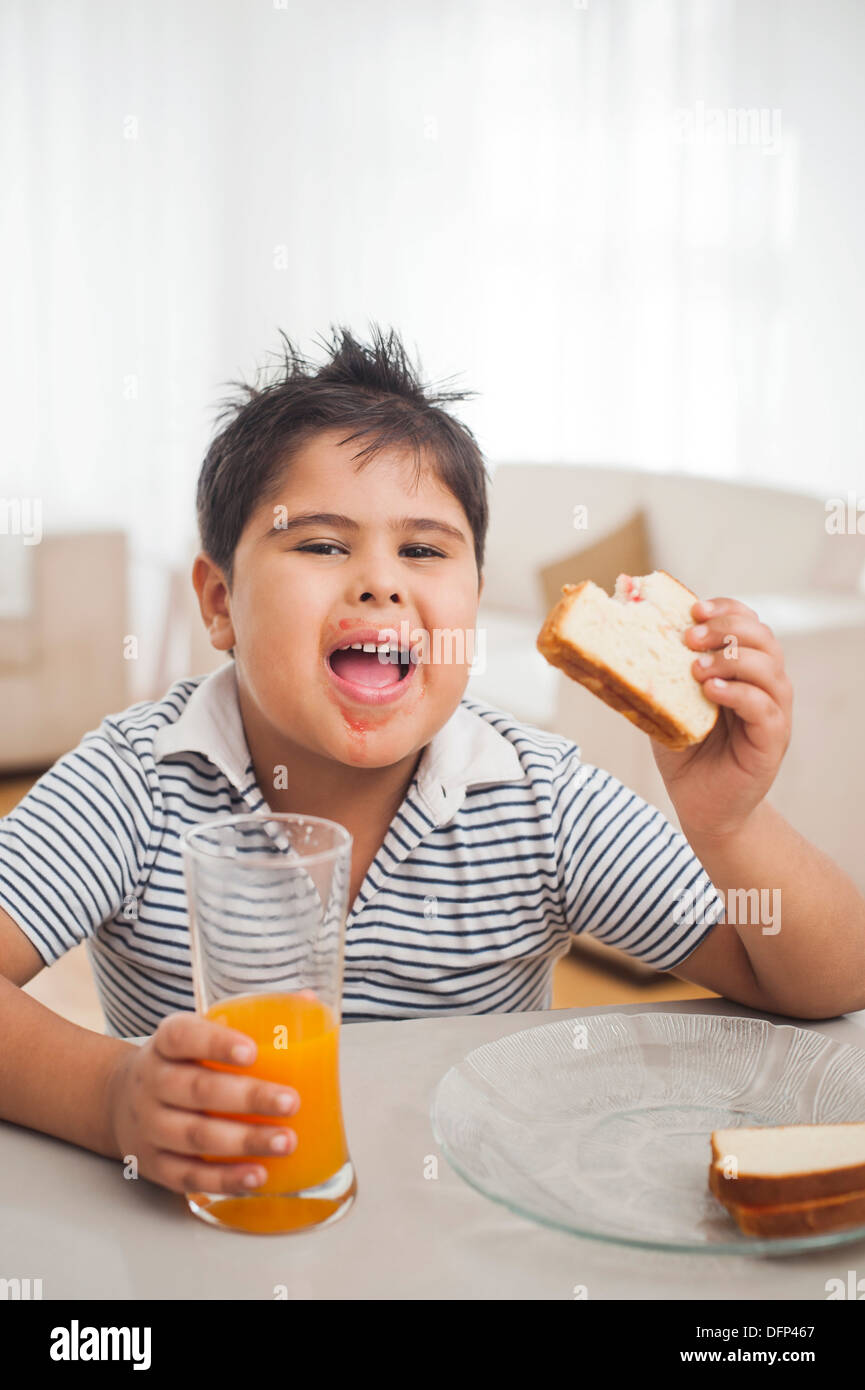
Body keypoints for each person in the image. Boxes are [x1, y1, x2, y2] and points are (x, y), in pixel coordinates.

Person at [1, 324, 863, 1200]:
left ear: (473, 605)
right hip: (229, 1228)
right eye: (321, 544)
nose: (380, 582)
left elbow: (824, 982)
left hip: (481, 1226)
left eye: (422, 549)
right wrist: (110, 1098)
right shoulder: (135, 778)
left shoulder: (540, 797)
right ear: (220, 603)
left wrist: (733, 824)